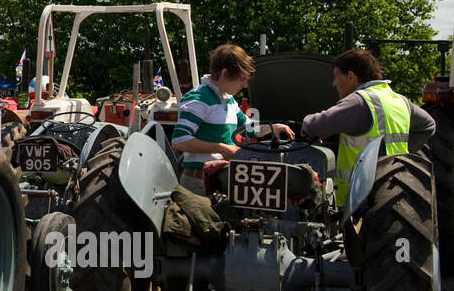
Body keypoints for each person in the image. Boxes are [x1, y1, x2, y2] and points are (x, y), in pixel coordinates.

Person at [302, 48, 435, 204]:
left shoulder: (358, 102)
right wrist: (403, 154)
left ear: (351, 76)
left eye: (336, 77)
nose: (334, 84)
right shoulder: (399, 100)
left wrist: (306, 122)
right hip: (397, 186)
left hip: (360, 196)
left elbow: (315, 126)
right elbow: (428, 126)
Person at [171, 44, 293, 195]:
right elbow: (179, 141)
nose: (245, 85)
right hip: (200, 183)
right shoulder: (198, 99)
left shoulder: (229, 100)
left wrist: (272, 127)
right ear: (224, 73)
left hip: (224, 179)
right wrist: (221, 148)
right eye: (242, 79)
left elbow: (248, 129)